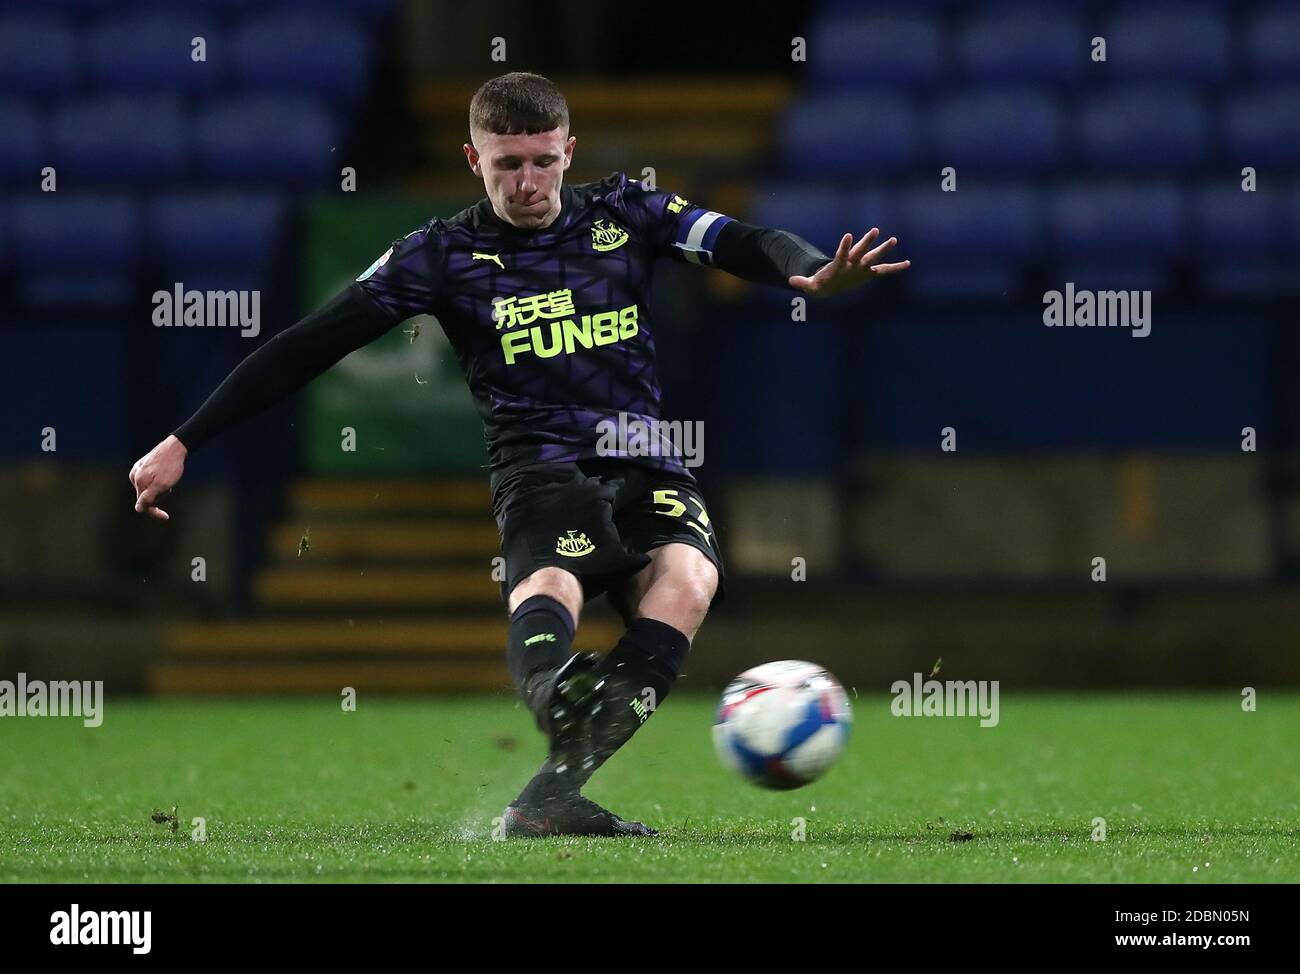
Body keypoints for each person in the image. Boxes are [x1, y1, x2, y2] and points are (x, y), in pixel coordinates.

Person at [129, 71, 909, 837]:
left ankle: (548, 799)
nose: (528, 181)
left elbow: (745, 240)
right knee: (550, 577)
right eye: (508, 164)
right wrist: (183, 439)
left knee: (690, 579)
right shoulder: (440, 254)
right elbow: (306, 347)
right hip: (539, 461)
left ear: (569, 150)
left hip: (645, 455)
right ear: (476, 162)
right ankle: (550, 688)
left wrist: (806, 267)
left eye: (543, 160)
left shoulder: (627, 211)